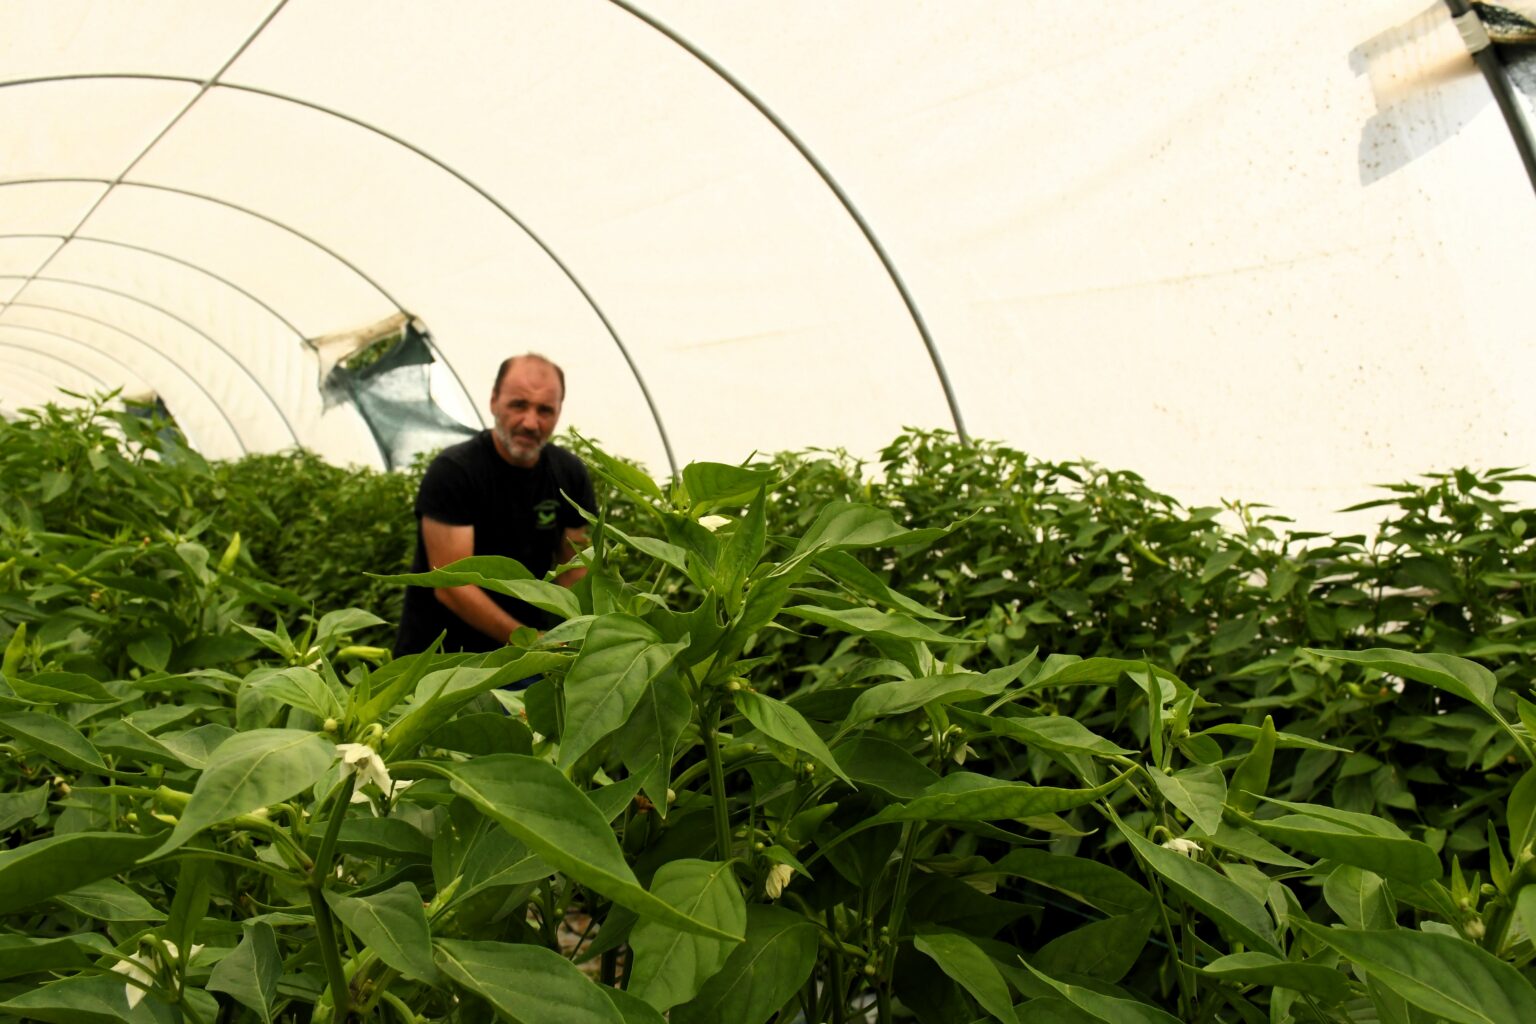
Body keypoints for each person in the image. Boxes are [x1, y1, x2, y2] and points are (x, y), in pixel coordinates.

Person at [392, 352, 593, 655]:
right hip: (444, 658)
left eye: (545, 410)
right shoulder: (455, 471)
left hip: (523, 656)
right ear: (494, 401)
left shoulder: (569, 474)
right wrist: (532, 642)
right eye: (518, 405)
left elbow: (574, 570)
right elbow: (452, 585)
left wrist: (580, 637)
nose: (530, 422)